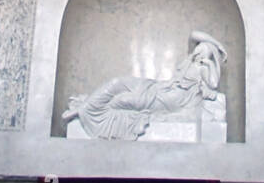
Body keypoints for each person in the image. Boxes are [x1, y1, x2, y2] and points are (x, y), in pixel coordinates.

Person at [62, 31, 227, 140]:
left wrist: (210, 64)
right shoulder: (189, 61)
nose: (197, 52)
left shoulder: (204, 69)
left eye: (202, 51)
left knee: (121, 101)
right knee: (119, 82)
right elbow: (194, 34)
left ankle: (84, 110)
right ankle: (85, 106)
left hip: (171, 98)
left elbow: (213, 83)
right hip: (158, 87)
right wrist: (218, 44)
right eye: (197, 49)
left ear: (208, 56)